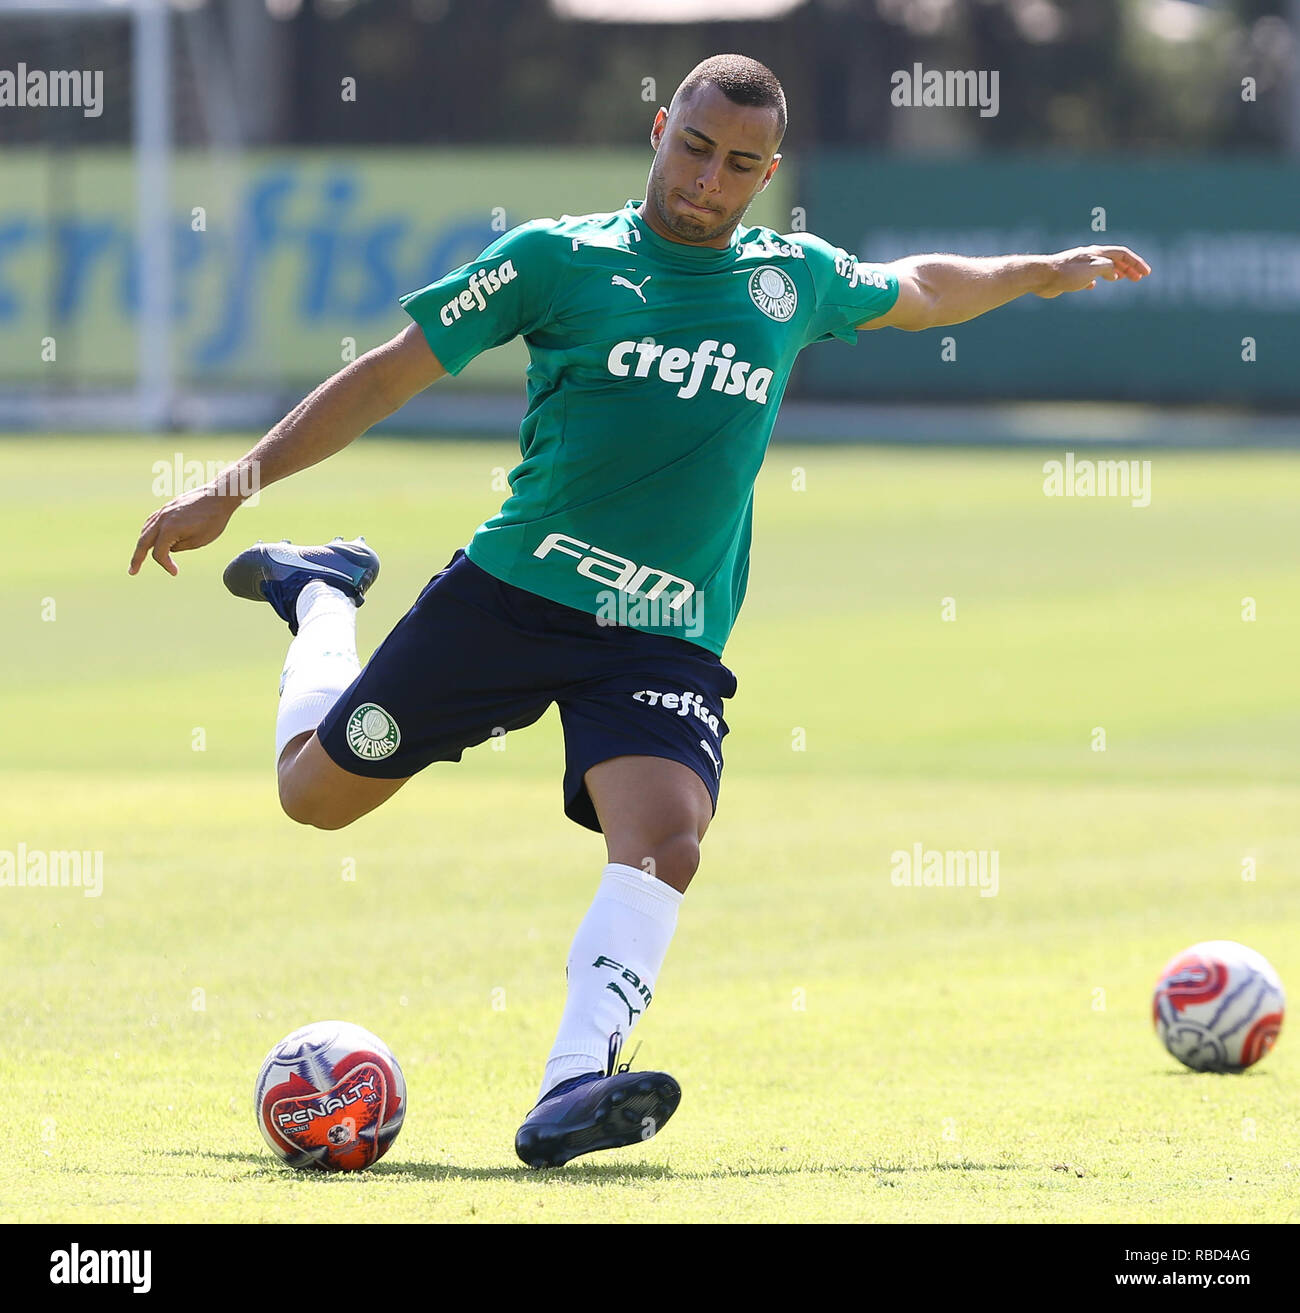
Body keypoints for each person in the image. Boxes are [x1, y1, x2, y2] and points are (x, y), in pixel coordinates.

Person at [129, 52, 1150, 1168]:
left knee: (666, 838)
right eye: (695, 148)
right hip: (512, 598)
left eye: (739, 165)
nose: (707, 180)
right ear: (661, 128)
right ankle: (321, 595)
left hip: (664, 633)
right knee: (312, 797)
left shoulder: (790, 280)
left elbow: (923, 287)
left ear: (768, 173)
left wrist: (1039, 269)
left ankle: (573, 1085)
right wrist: (232, 487)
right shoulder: (555, 259)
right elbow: (386, 373)